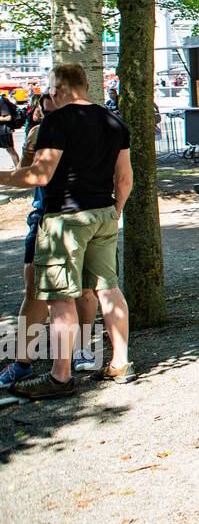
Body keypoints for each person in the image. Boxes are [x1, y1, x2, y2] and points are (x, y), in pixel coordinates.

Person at [0, 64, 134, 398]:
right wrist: (114, 210)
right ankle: (120, 362)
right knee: (109, 289)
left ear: (60, 89)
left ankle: (60, 377)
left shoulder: (56, 122)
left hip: (65, 218)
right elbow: (125, 178)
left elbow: (39, 176)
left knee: (60, 297)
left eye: (51, 89)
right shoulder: (114, 121)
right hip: (103, 214)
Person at [0, 92, 101, 391]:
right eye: (43, 112)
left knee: (85, 288)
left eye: (52, 110)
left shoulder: (92, 132)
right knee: (35, 288)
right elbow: (29, 174)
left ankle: (84, 351)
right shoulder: (39, 133)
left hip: (85, 215)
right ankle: (21, 361)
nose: (47, 116)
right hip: (45, 216)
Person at [0, 90, 21, 168]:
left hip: (3, 131)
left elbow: (8, 117)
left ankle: (19, 171)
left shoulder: (1, 101)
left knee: (11, 151)